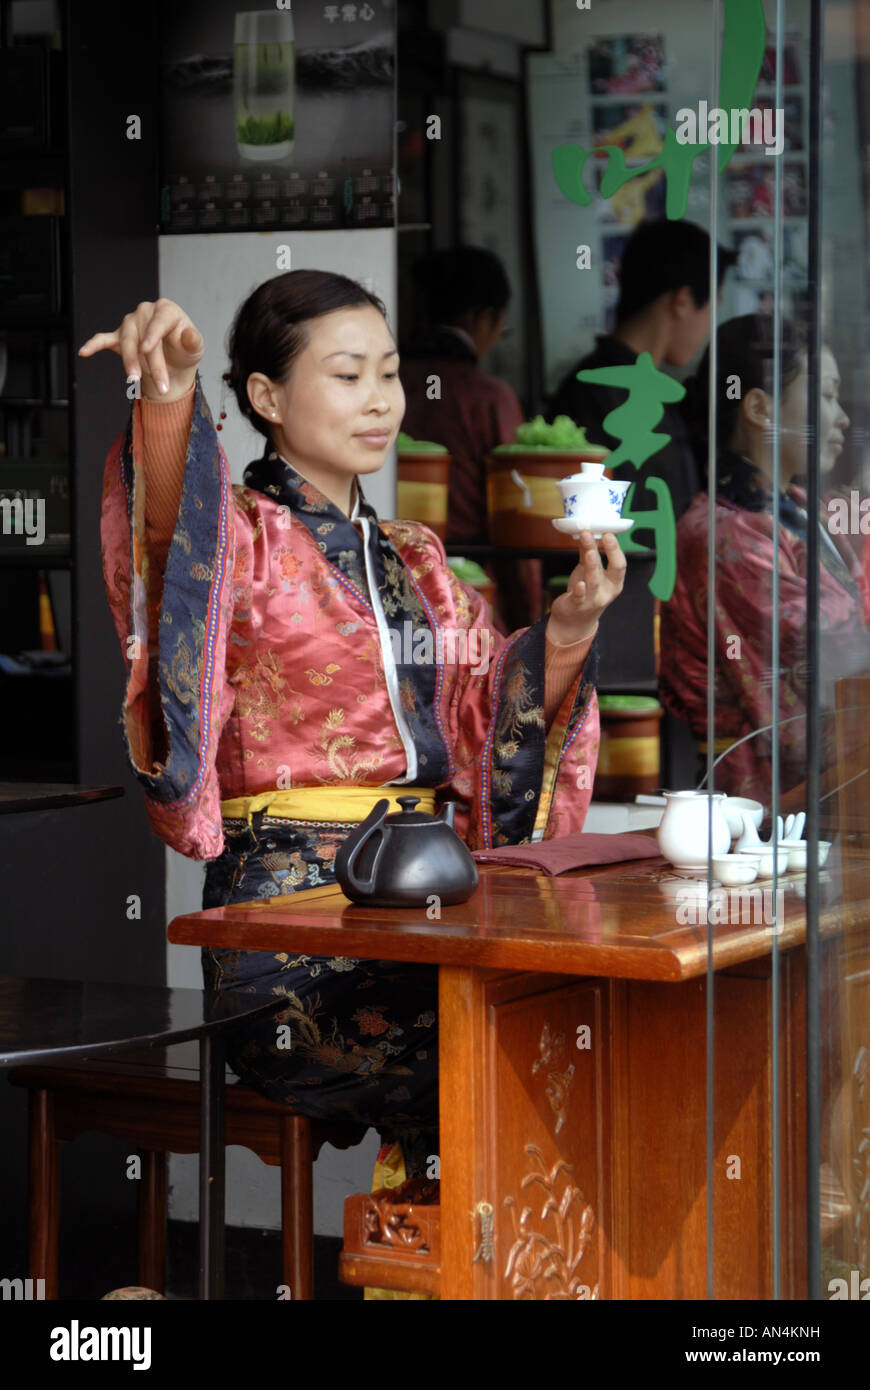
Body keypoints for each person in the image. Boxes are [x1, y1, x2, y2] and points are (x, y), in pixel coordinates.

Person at [80, 270, 626, 1177]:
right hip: (292, 930)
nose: (380, 402)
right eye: (348, 375)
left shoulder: (416, 557)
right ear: (266, 396)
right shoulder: (243, 536)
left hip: (430, 906)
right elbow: (167, 554)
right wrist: (168, 396)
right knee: (502, 1053)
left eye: (391, 373)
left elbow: (488, 711)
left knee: (576, 1025)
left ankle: (432, 1257)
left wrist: (567, 627)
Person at [659, 313, 867, 802]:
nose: (842, 418)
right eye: (826, 394)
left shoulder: (797, 509)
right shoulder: (723, 534)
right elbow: (815, 657)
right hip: (764, 813)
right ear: (760, 408)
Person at [548, 219, 737, 530]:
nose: (708, 330)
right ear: (683, 301)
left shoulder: (618, 388)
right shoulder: (601, 394)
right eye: (712, 308)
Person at [399, 245, 540, 631]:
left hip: (387, 577)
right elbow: (519, 515)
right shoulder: (489, 397)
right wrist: (531, 623)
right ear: (483, 318)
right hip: (468, 587)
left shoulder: (385, 385)